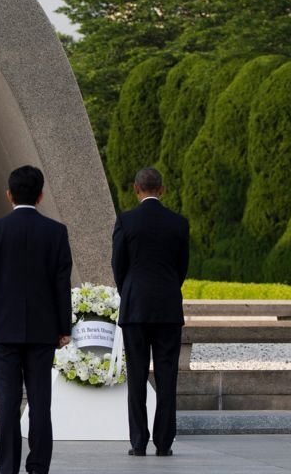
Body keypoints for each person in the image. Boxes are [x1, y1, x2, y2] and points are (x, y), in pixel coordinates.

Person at [0, 165, 72, 474]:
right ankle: (38, 466)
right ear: (41, 195)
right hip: (43, 331)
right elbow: (61, 284)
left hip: (3, 330)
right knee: (40, 403)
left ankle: (8, 467)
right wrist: (64, 328)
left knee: (8, 403)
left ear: (9, 195)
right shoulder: (56, 232)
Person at [112, 167, 189, 457]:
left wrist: (129, 291)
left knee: (137, 375)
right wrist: (167, 288)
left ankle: (138, 441)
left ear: (136, 189)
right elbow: (182, 266)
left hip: (136, 308)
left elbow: (118, 264)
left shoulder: (126, 221)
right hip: (168, 307)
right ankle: (164, 442)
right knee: (167, 377)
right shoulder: (178, 223)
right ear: (162, 189)